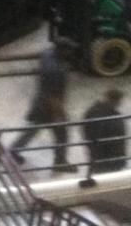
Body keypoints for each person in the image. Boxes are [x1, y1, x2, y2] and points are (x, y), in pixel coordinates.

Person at [10, 44, 76, 172]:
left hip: (39, 102)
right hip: (49, 108)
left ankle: (14, 150)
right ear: (63, 51)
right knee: (62, 134)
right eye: (69, 51)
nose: (71, 53)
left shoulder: (47, 54)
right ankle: (60, 162)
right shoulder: (57, 71)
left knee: (32, 129)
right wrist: (59, 115)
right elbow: (54, 97)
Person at [82, 88, 128, 176]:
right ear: (116, 100)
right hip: (109, 155)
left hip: (98, 153)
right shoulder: (112, 115)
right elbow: (118, 138)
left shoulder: (93, 111)